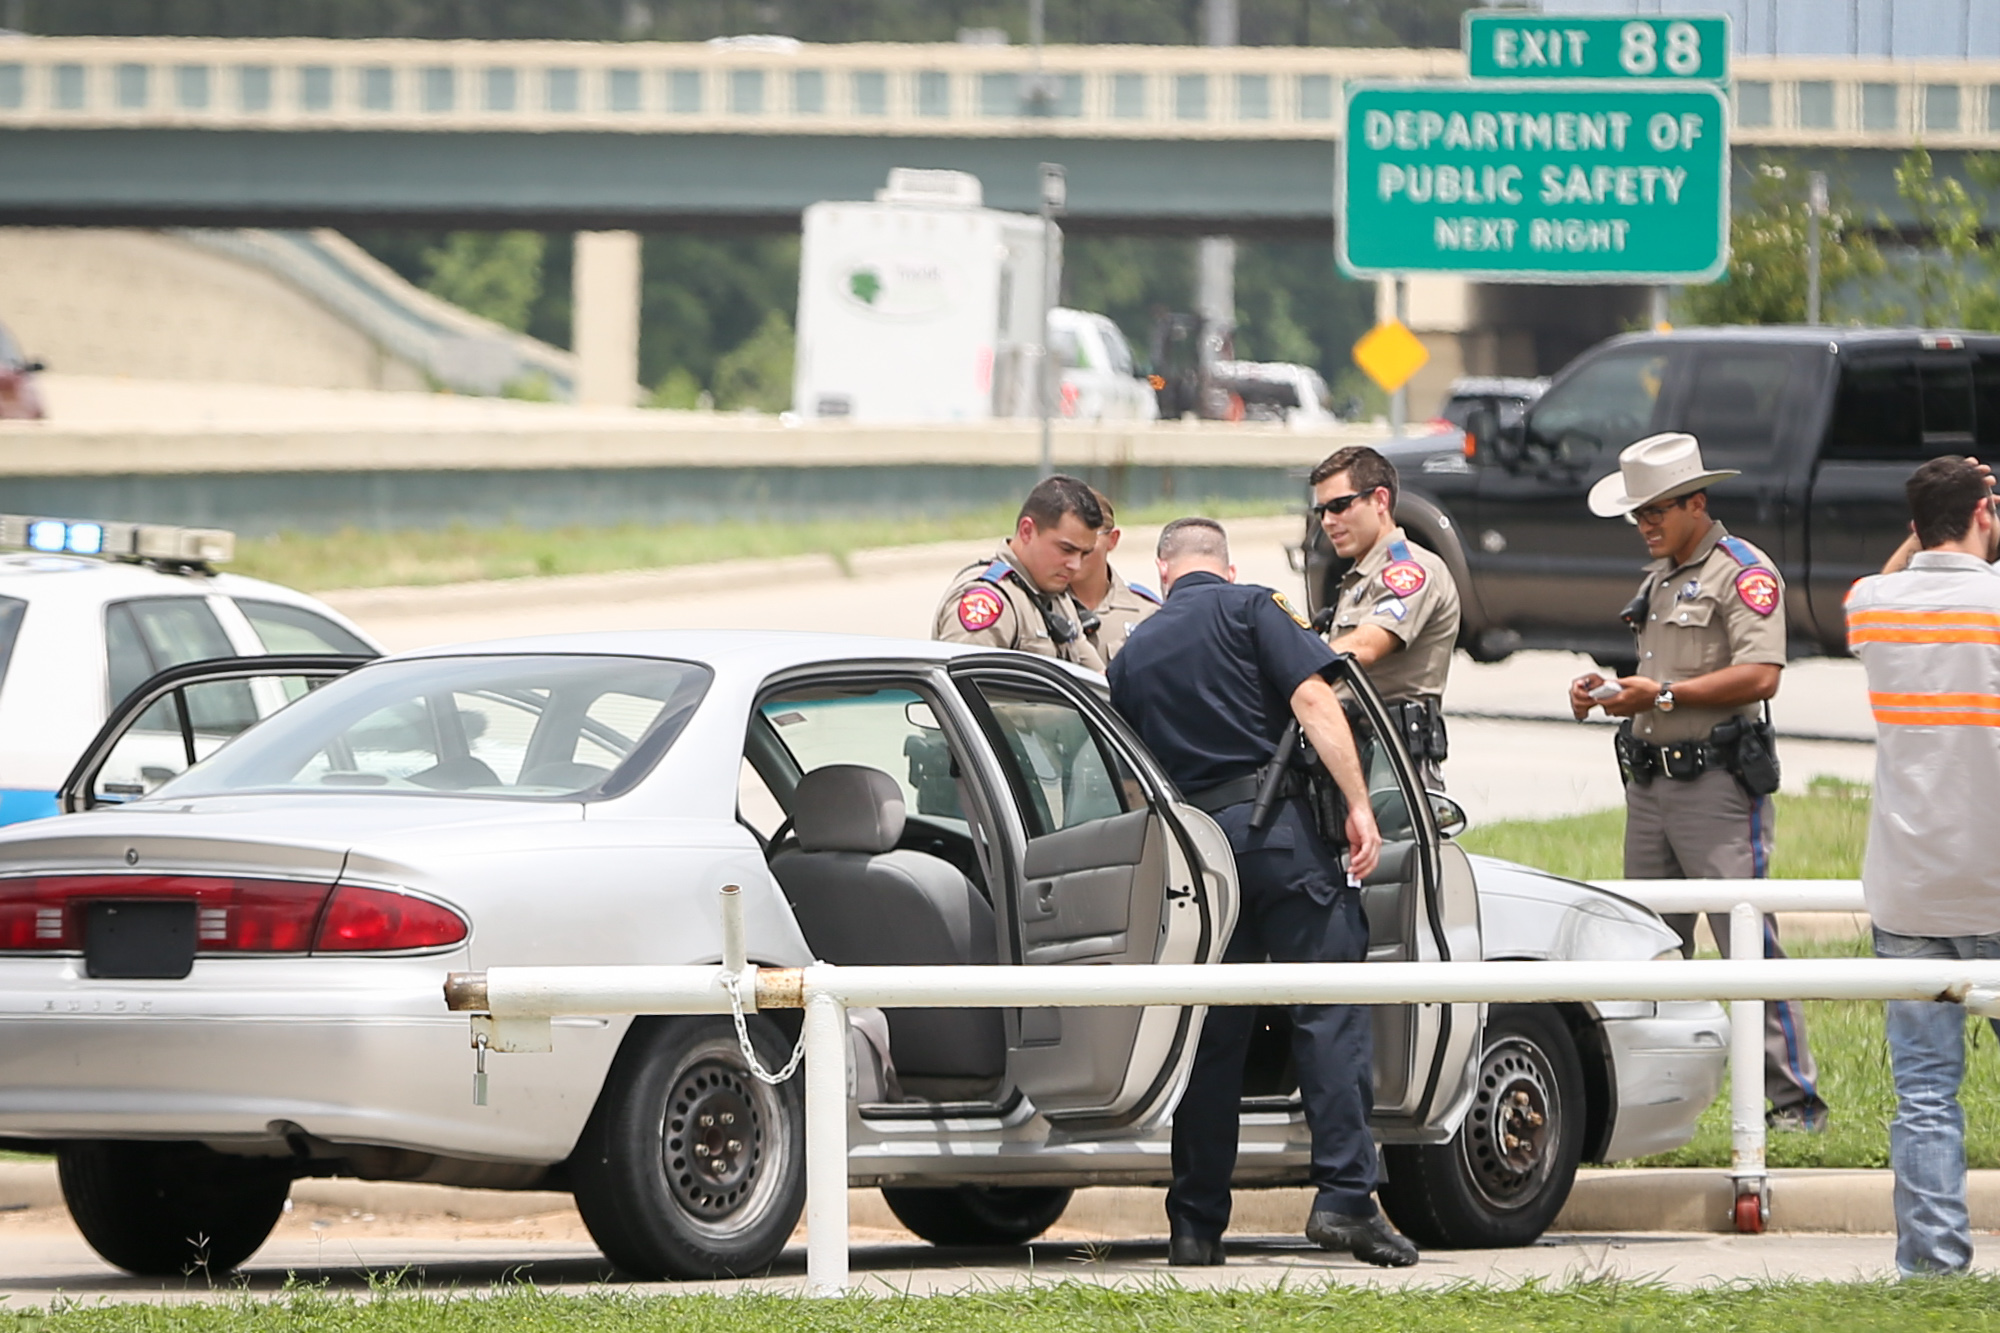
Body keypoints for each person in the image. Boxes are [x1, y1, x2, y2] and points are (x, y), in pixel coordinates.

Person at [1108, 516, 1416, 1270]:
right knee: (1328, 1009)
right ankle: (1346, 1197)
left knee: (1213, 1039)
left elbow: (1125, 778)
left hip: (1197, 859)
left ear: (1164, 569)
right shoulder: (1253, 608)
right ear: (1227, 564)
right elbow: (1316, 702)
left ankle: (1195, 1223)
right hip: (1278, 836)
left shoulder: (1133, 651)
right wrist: (1359, 802)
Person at [1568, 432, 1829, 1134]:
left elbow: (1762, 674)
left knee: (1747, 942)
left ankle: (1794, 1104)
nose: (1646, 524)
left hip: (1715, 786)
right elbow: (1659, 677)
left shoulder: (1742, 570)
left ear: (1697, 502)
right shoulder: (1659, 576)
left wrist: (1661, 696)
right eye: (1638, 514)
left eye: (1657, 510)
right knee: (1645, 944)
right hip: (1651, 785)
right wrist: (1607, 690)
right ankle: (1647, 1106)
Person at [1847, 455, 2000, 1278]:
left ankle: (1936, 1266)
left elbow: (1882, 582)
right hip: (1999, 884)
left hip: (1910, 891)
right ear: (1986, 510)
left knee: (1927, 1093)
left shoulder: (1875, 604)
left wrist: (1923, 534)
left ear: (1914, 525)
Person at [1310, 446, 1460, 790]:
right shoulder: (1362, 576)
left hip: (1391, 763)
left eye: (1339, 506)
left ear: (1379, 500)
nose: (1328, 521)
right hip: (1357, 751)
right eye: (1321, 511)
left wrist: (1288, 664)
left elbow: (1366, 645)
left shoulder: (1409, 570)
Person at [932, 475, 1106, 670]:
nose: (1076, 565)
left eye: (1084, 554)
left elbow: (1097, 682)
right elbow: (962, 687)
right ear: (1026, 531)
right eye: (1066, 549)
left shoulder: (1058, 600)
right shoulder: (990, 600)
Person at [1072, 486, 1161, 663]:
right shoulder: (1038, 608)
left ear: (1112, 540)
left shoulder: (1146, 613)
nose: (1077, 546)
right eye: (1067, 540)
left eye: (1090, 536)